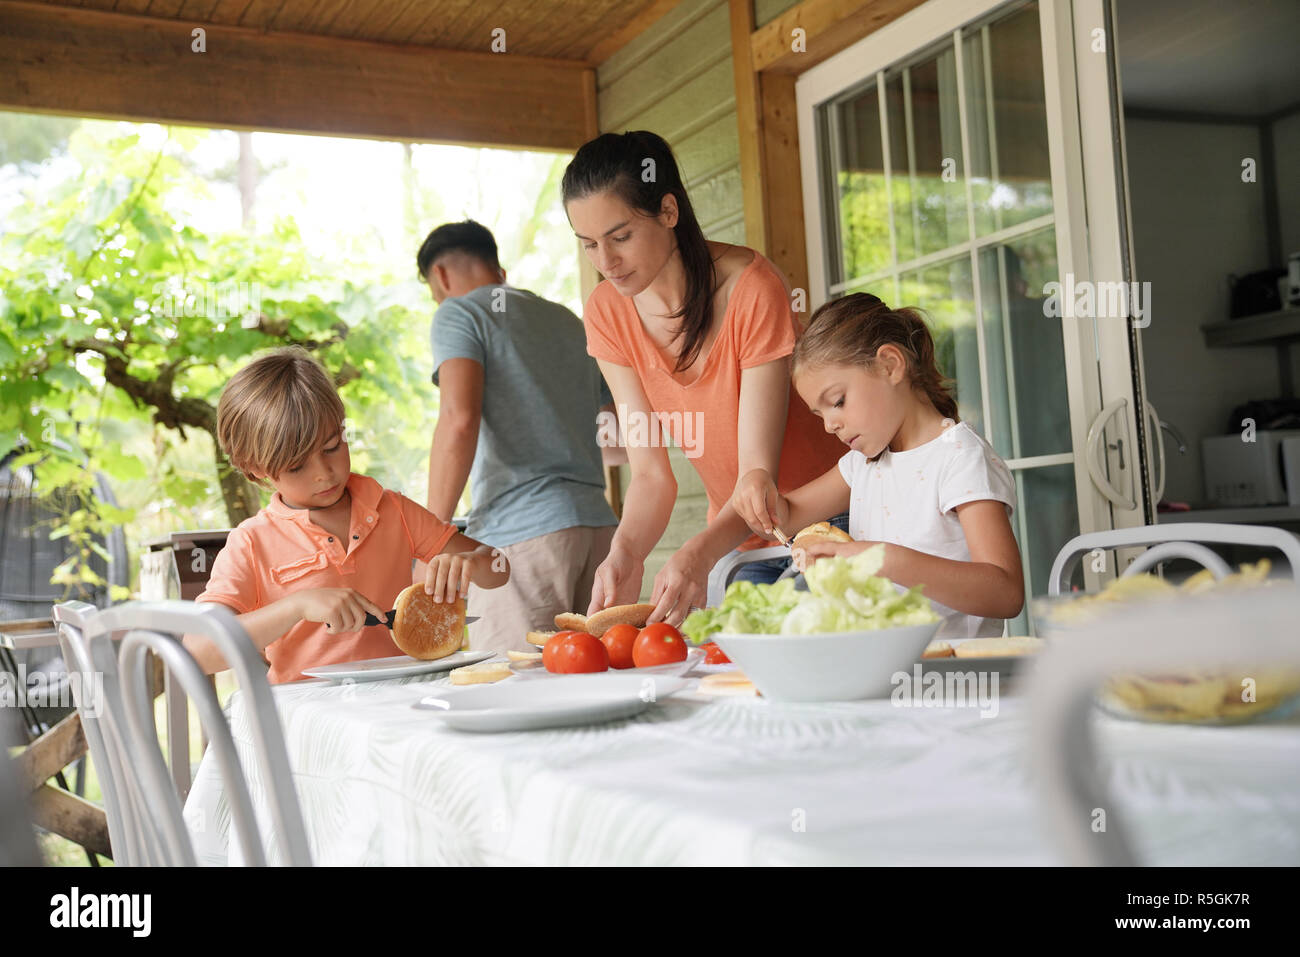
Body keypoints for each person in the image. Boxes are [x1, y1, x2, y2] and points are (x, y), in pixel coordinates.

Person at [562, 131, 845, 626]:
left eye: (621, 236)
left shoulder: (752, 290)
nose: (606, 263)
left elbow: (760, 477)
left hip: (836, 517)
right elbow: (650, 475)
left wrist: (699, 554)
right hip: (746, 536)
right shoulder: (607, 312)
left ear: (668, 211)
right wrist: (625, 552)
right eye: (589, 245)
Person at [190, 347, 509, 682]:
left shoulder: (393, 510)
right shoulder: (251, 543)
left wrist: (472, 563)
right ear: (255, 470)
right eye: (297, 466)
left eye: (332, 447)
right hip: (310, 716)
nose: (324, 473)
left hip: (400, 701)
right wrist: (296, 606)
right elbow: (199, 652)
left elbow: (500, 567)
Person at [761, 293, 1023, 639]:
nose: (829, 425)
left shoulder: (959, 458)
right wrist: (758, 487)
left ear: (889, 365)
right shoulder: (863, 464)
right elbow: (788, 514)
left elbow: (1005, 594)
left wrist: (882, 560)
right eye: (820, 414)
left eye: (837, 402)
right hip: (882, 671)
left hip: (951, 678)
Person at [417, 220, 618, 654]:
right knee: (594, 685)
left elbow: (458, 419)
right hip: (599, 530)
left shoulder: (460, 312)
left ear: (441, 277)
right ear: (497, 267)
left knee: (509, 689)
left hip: (523, 538)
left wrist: (429, 538)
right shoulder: (568, 320)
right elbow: (614, 425)